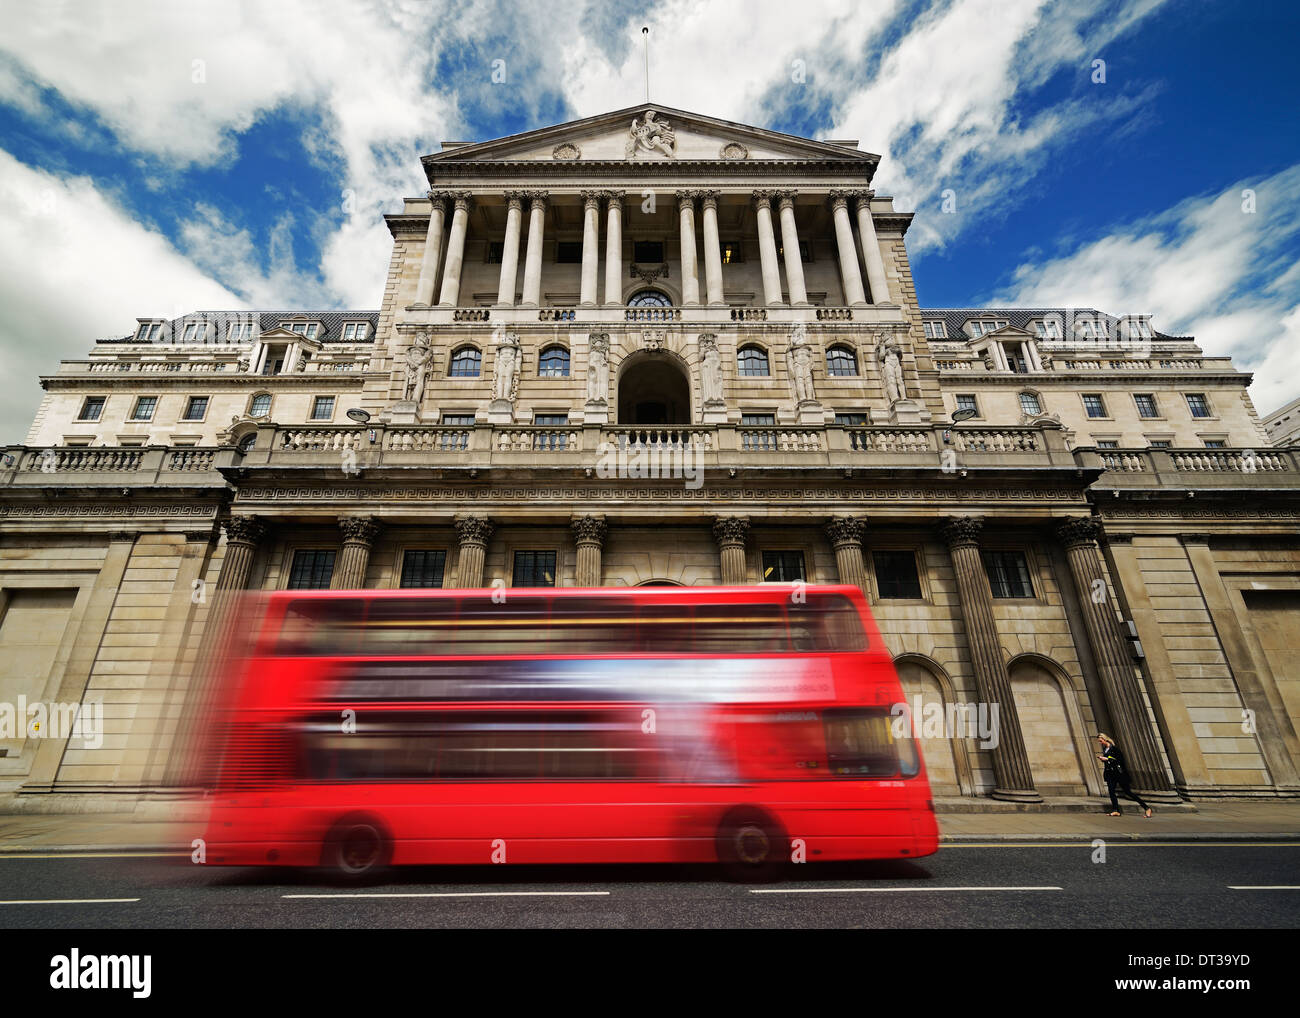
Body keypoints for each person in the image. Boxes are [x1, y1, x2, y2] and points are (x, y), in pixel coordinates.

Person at [1097, 733, 1153, 817]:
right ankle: (1116, 810)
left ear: (1105, 739)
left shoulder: (1115, 749)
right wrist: (1105, 760)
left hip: (1118, 774)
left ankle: (1147, 808)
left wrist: (1108, 759)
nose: (1100, 743)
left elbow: (1120, 761)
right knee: (1111, 791)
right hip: (1110, 774)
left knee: (1128, 792)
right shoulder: (1106, 749)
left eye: (1101, 741)